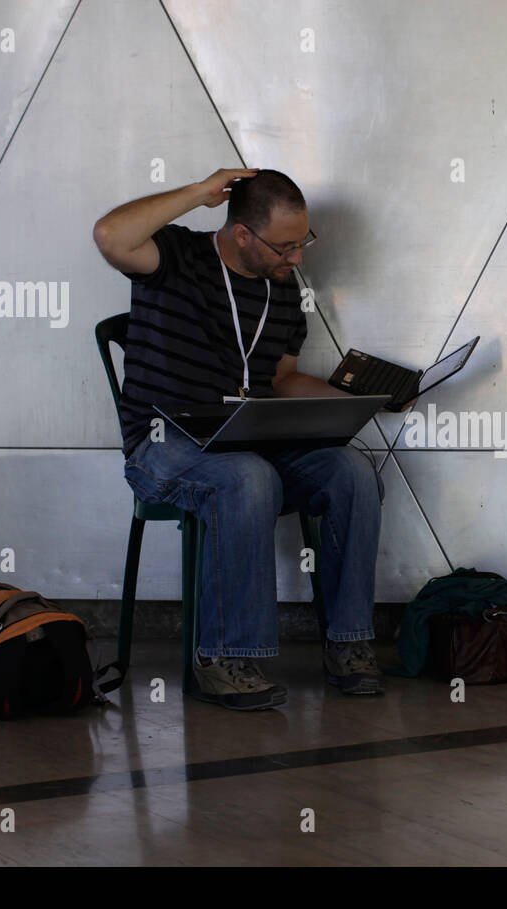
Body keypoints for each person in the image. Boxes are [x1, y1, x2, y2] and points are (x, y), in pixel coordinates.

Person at [92, 167, 385, 711]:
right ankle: (223, 659)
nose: (296, 259)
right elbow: (111, 235)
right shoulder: (176, 257)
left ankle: (350, 644)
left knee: (353, 472)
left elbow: (282, 379)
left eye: (304, 243)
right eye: (285, 246)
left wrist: (362, 403)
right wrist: (198, 193)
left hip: (250, 442)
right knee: (247, 479)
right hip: (164, 445)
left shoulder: (283, 290)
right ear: (243, 233)